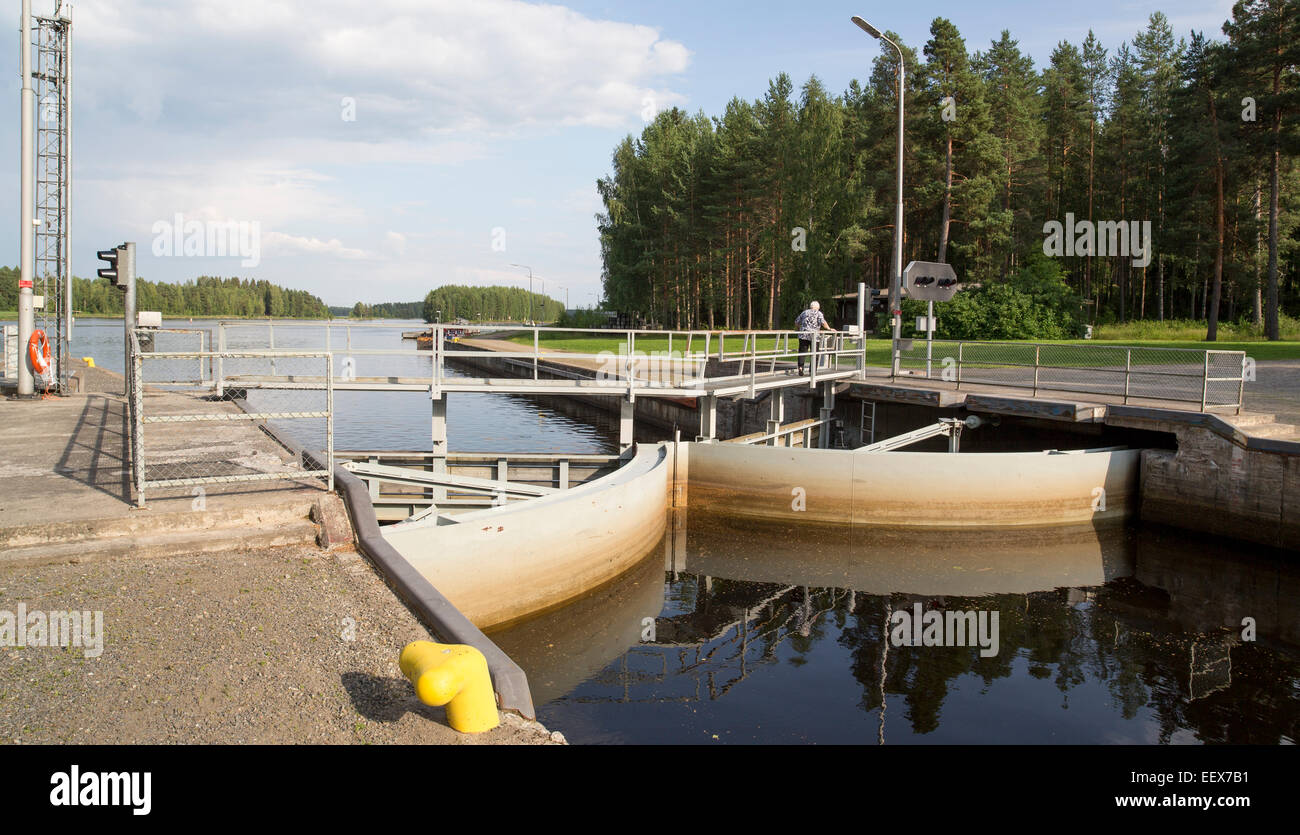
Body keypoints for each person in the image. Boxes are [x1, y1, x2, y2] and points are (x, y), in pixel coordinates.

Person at [794, 301, 835, 374]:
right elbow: (823, 323)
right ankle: (812, 371)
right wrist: (829, 328)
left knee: (802, 352)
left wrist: (798, 329)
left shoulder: (804, 312)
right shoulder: (818, 313)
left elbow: (797, 322)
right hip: (814, 337)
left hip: (803, 335)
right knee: (814, 353)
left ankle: (800, 367)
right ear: (818, 307)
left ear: (810, 306)